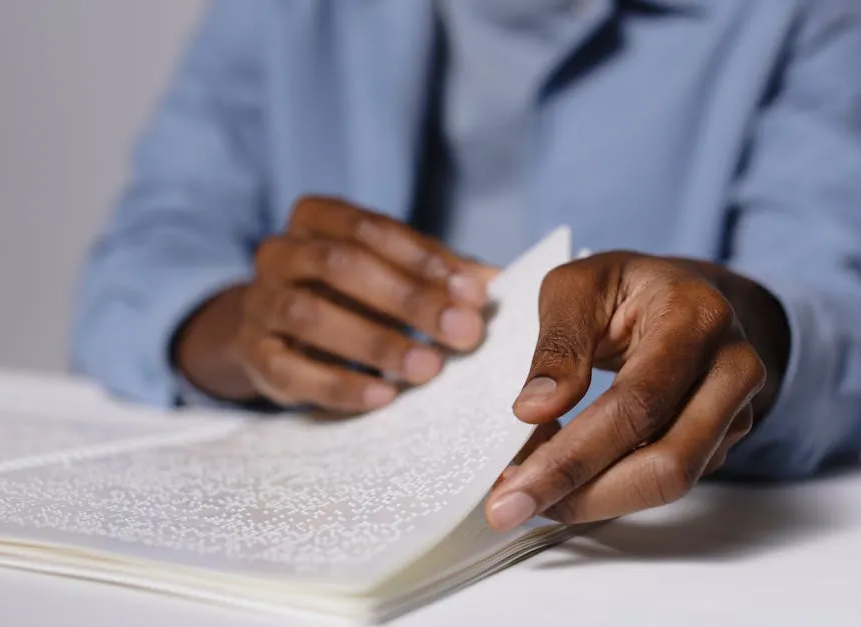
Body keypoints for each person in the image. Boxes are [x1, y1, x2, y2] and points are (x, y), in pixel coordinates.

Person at [71, 0, 861, 533]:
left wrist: (729, 318)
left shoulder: (808, 18)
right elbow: (141, 259)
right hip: (299, 522)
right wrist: (245, 332)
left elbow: (835, 302)